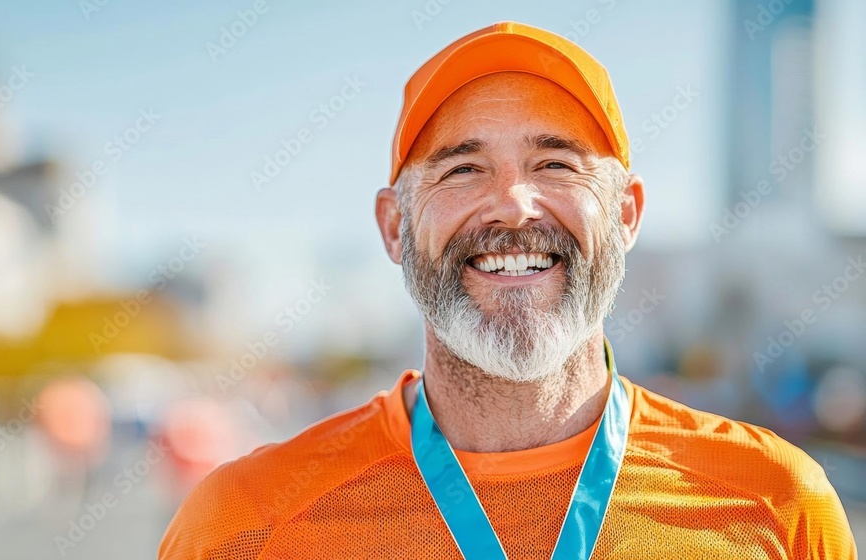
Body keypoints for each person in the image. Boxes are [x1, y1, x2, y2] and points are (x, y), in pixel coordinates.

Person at [159, 22, 857, 559]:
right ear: (396, 226)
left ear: (625, 216)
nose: (514, 206)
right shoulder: (244, 525)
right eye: (462, 170)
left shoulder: (778, 506)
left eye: (556, 164)